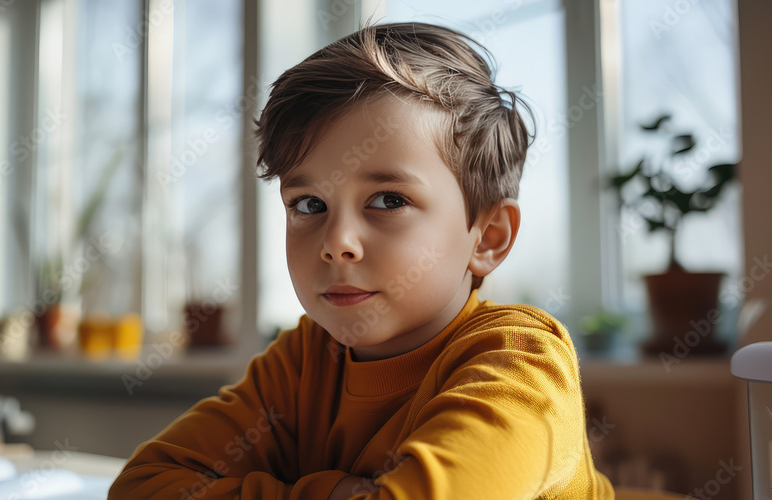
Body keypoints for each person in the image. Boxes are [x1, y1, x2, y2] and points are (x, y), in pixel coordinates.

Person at [109, 21, 615, 499]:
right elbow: (141, 486)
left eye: (389, 200)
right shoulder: (303, 360)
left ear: (488, 238)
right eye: (309, 205)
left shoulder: (522, 363)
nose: (337, 242)